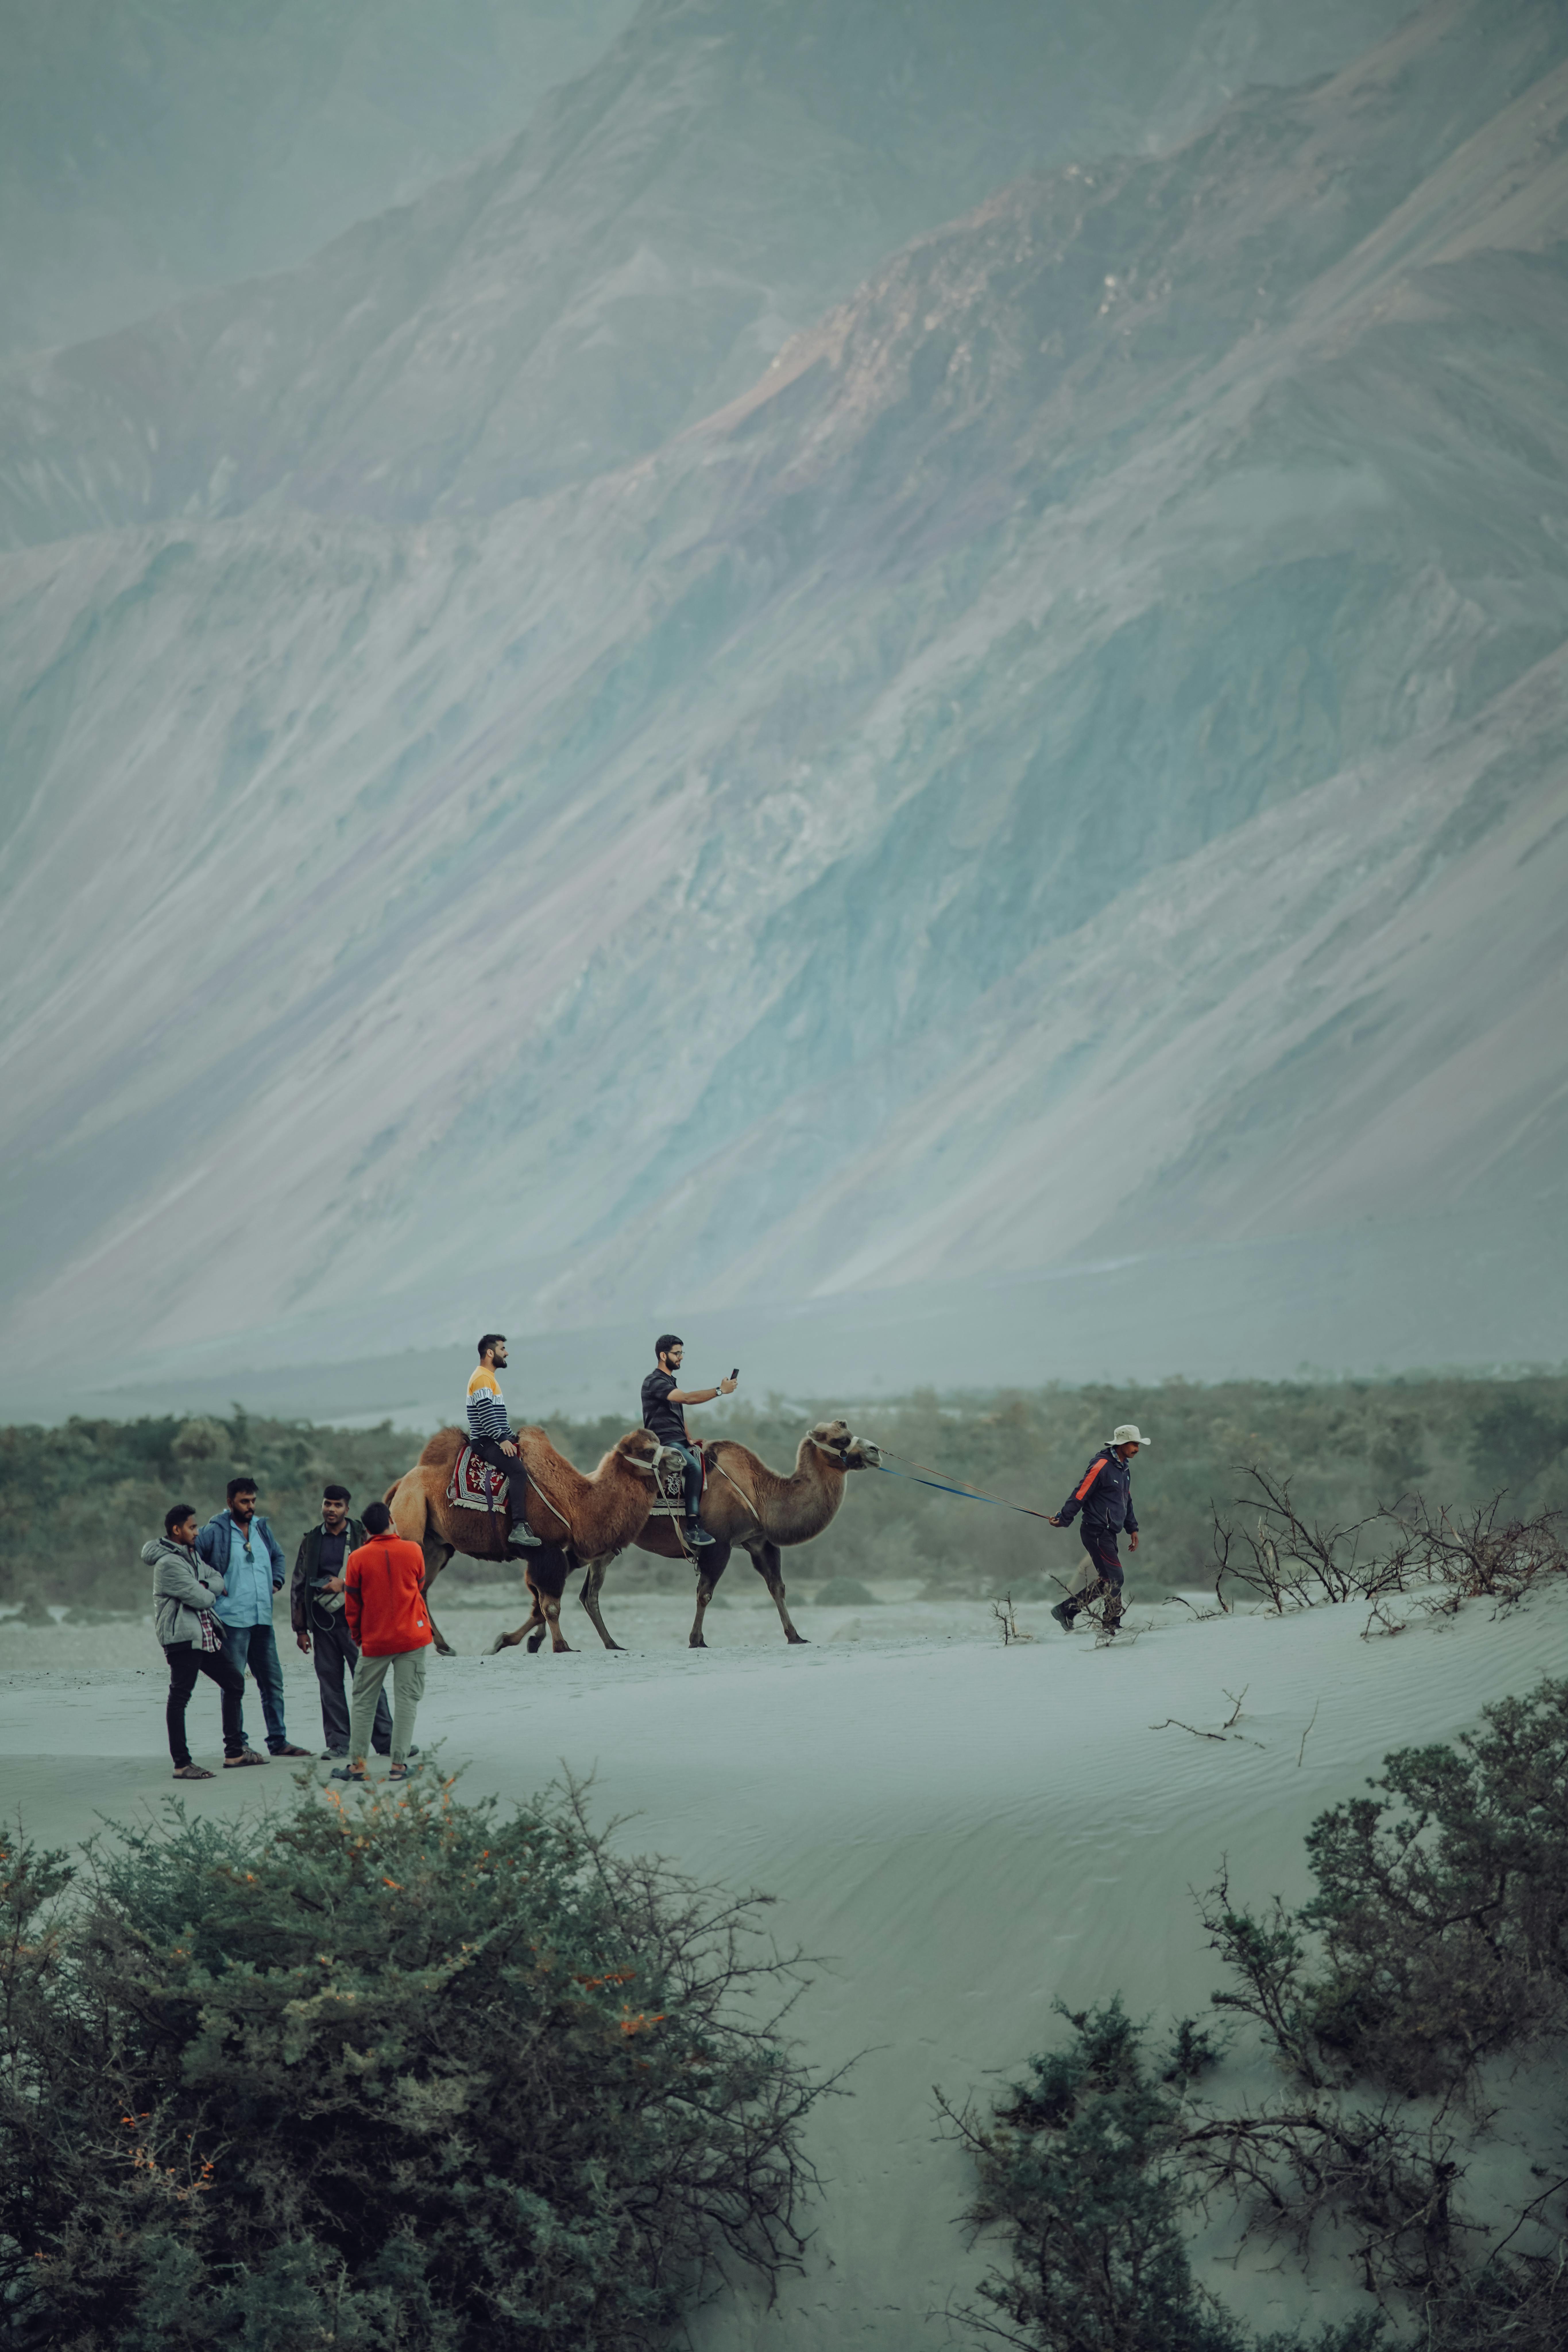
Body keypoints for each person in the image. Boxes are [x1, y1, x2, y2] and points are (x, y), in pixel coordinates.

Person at [144, 1502, 260, 1775]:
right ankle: (182, 1764)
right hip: (183, 1638)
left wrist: (206, 1585)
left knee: (234, 1682)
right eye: (192, 1527)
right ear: (177, 1530)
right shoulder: (169, 1564)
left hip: (204, 1636)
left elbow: (217, 1579)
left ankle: (234, 1753)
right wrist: (207, 1590)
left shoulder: (190, 1556)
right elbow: (203, 1598)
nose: (197, 1532)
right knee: (180, 1697)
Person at [198, 1477, 310, 1757]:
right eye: (244, 1501)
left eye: (253, 1501)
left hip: (262, 1620)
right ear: (230, 1502)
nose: (250, 1506)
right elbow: (194, 1560)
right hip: (232, 1621)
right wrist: (211, 1588)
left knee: (273, 1682)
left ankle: (278, 1741)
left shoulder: (261, 1528)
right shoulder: (215, 1531)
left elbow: (278, 1557)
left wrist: (278, 1581)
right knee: (233, 1685)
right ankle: (238, 1745)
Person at [290, 1483, 395, 1761]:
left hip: (359, 1626)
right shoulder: (311, 1540)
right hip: (323, 1626)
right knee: (330, 1685)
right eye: (327, 1504)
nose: (331, 1510)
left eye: (337, 1505)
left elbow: (379, 1575)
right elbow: (299, 1585)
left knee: (369, 1682)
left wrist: (344, 1585)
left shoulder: (364, 1536)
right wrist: (301, 1629)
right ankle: (338, 1745)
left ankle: (386, 1742)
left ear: (347, 1509)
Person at [332, 1501, 433, 1784]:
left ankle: (357, 1766)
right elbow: (420, 1584)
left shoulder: (358, 1558)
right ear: (391, 1520)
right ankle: (398, 1765)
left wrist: (358, 1636)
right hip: (412, 1637)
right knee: (406, 1701)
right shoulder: (414, 1550)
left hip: (375, 1641)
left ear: (365, 1530)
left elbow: (352, 1604)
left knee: (364, 1701)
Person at [1047, 1423, 1150, 1637]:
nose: (1137, 1449)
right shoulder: (1102, 1465)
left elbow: (1126, 1500)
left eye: (1138, 1444)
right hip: (1095, 1531)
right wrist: (1064, 1518)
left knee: (1107, 1580)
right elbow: (1081, 1492)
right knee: (1115, 1578)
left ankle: (1066, 1610)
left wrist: (1132, 1528)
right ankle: (1110, 1624)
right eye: (1134, 1444)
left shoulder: (1124, 1467)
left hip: (1109, 1532)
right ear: (1121, 1444)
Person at [640, 1334, 738, 1549]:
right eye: (677, 1353)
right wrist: (720, 1391)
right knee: (693, 1469)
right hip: (664, 1444)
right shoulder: (654, 1382)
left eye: (682, 1353)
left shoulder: (669, 1382)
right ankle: (693, 1527)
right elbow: (686, 1399)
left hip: (678, 1441)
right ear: (663, 1355)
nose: (681, 1358)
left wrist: (688, 1438)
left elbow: (677, 1414)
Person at [466, 1333, 540, 1552]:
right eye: (502, 1349)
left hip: (494, 1437)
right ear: (490, 1353)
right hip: (485, 1442)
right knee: (518, 1472)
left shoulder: (488, 1378)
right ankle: (518, 1527)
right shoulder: (482, 1378)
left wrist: (513, 1437)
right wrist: (501, 1440)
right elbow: (487, 1414)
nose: (507, 1353)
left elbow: (499, 1417)